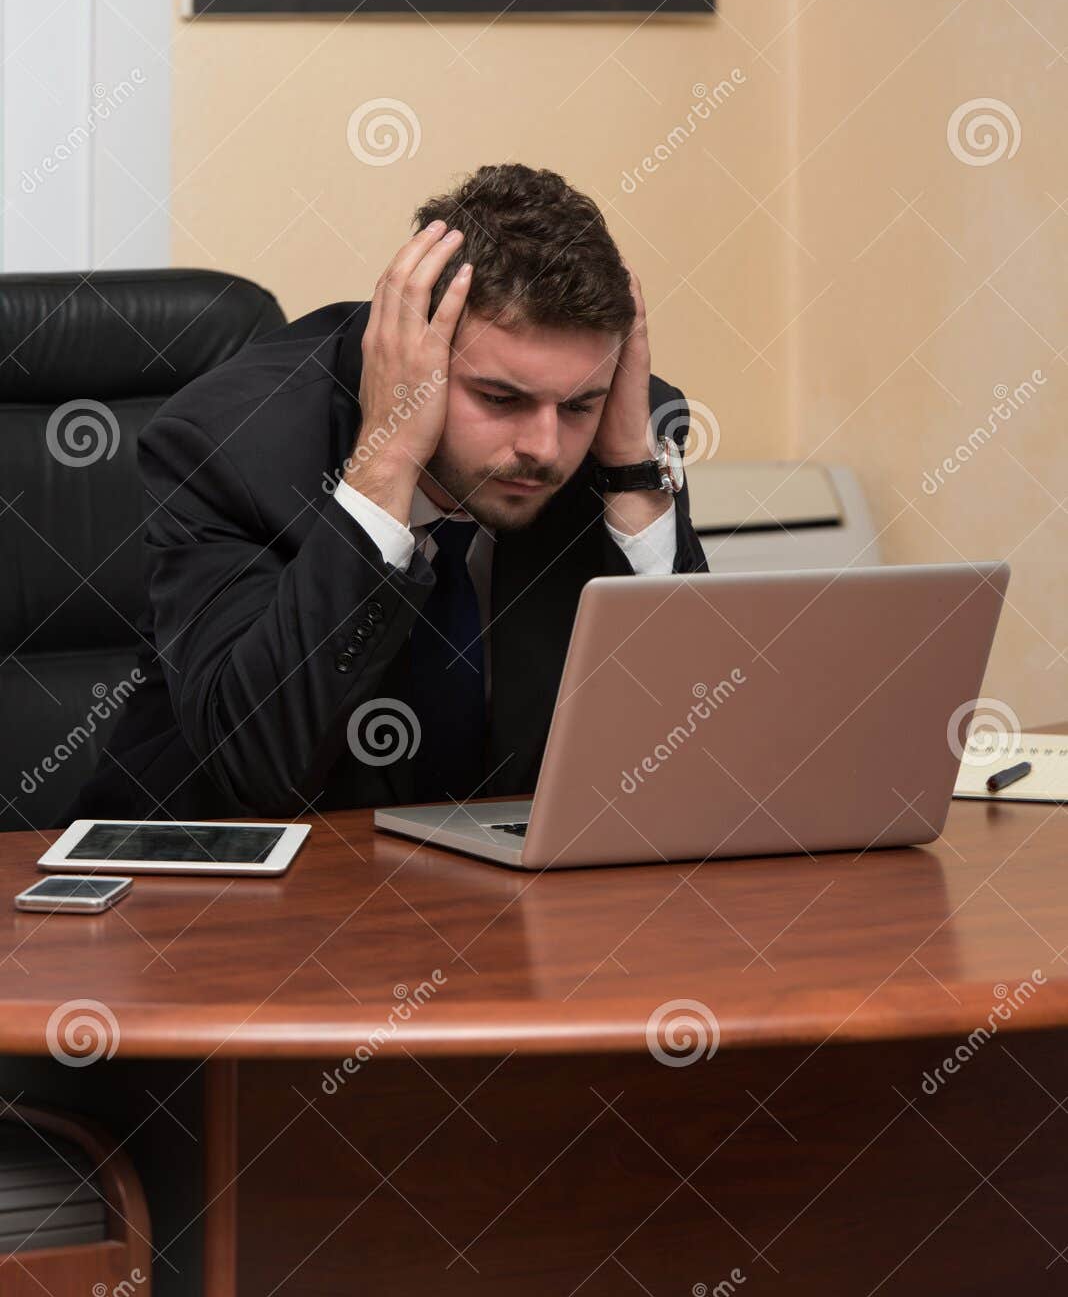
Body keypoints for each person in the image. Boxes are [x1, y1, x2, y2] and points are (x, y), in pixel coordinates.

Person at [70, 163, 710, 822]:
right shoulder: (227, 443)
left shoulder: (620, 438)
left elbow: (695, 744)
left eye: (579, 404)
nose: (544, 448)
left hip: (488, 884)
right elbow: (256, 766)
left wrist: (632, 475)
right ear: (416, 359)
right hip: (210, 887)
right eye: (498, 397)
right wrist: (388, 460)